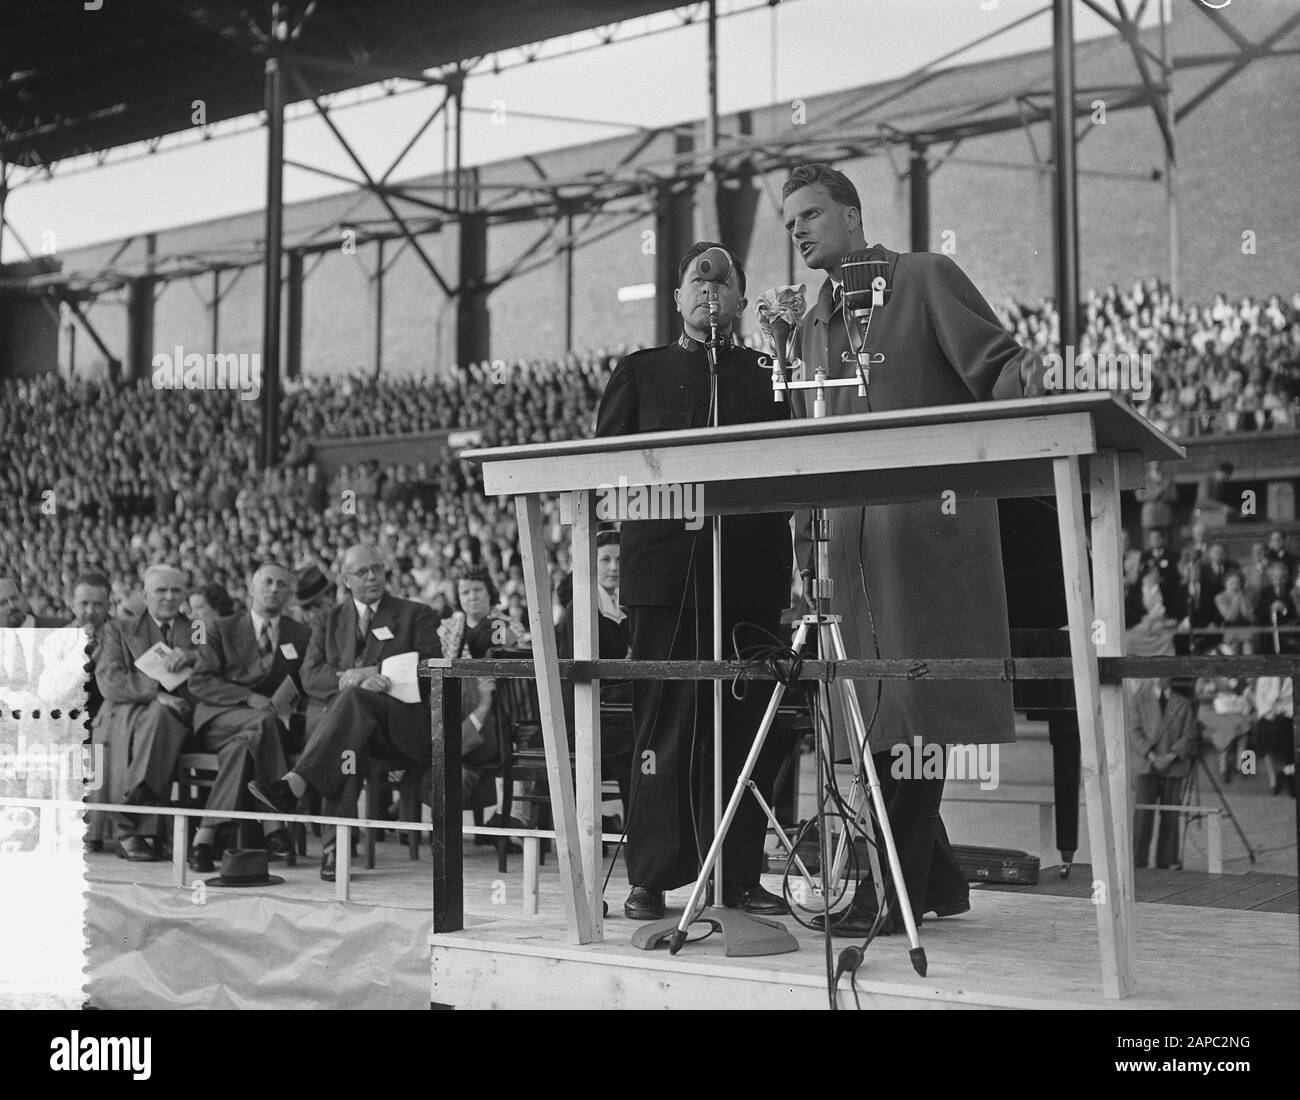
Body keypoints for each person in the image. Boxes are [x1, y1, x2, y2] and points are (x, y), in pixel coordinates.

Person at [777, 162, 1045, 934]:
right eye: (789, 219)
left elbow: (997, 367)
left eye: (812, 213)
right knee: (877, 725)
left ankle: (887, 893)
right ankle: (939, 880)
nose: (797, 228)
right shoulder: (808, 330)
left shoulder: (925, 278)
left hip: (930, 541)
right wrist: (806, 551)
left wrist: (1063, 381)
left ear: (854, 217)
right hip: (849, 558)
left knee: (911, 717)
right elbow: (806, 453)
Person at [595, 240, 795, 921]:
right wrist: (606, 556)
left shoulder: (770, 369)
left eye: (723, 280)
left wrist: (786, 353)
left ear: (741, 299)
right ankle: (651, 875)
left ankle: (737, 873)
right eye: (696, 279)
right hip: (665, 574)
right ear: (678, 299)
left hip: (751, 571)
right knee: (662, 729)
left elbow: (799, 458)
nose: (709, 288)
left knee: (745, 726)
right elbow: (605, 475)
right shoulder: (641, 371)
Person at [248, 544, 439, 881]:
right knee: (351, 739)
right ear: (345, 579)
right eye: (362, 572)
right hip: (352, 729)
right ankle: (334, 851)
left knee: (352, 706)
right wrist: (349, 681)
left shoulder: (415, 613)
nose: (372, 577)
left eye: (377, 569)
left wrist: (371, 673)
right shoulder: (328, 618)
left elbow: (429, 667)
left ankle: (297, 784)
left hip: (400, 725)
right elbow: (310, 675)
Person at [187, 562, 311, 872]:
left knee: (244, 746)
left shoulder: (300, 633)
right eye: (267, 582)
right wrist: (247, 697)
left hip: (263, 728)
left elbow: (304, 683)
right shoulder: (221, 628)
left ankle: (203, 838)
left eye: (281, 584)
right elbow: (200, 681)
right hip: (218, 717)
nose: (273, 589)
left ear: (289, 594)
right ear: (251, 589)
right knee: (262, 723)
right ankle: (273, 826)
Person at [93, 564, 202, 861]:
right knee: (158, 715)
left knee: (161, 718)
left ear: (185, 594)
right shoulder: (118, 628)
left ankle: (130, 819)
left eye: (176, 590)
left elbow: (214, 662)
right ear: (144, 594)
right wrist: (156, 694)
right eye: (160, 590)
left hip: (185, 716)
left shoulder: (197, 628)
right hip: (129, 714)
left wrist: (192, 655)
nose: (169, 597)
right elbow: (110, 680)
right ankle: (138, 815)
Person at [1126, 678, 1197, 869]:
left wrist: (1171, 756)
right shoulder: (1139, 699)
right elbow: (1133, 731)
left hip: (1173, 765)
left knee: (1171, 815)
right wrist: (1152, 756)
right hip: (1147, 764)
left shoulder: (1182, 703)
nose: (1159, 677)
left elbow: (1189, 734)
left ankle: (1167, 861)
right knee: (1143, 815)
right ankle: (1137, 861)